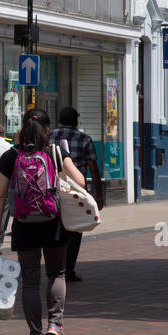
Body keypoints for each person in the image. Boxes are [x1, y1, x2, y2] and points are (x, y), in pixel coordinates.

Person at [0, 109, 84, 335]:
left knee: (30, 282)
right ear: (47, 129)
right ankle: (56, 324)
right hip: (53, 223)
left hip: (24, 224)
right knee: (57, 273)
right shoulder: (54, 151)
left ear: (22, 129)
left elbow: (0, 196)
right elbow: (80, 181)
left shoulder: (11, 155)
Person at [50, 107, 103, 282]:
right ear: (76, 121)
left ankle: (54, 267)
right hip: (76, 189)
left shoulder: (49, 136)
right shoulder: (84, 138)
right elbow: (93, 167)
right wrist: (98, 194)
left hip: (53, 187)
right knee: (75, 229)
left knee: (56, 227)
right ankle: (68, 269)